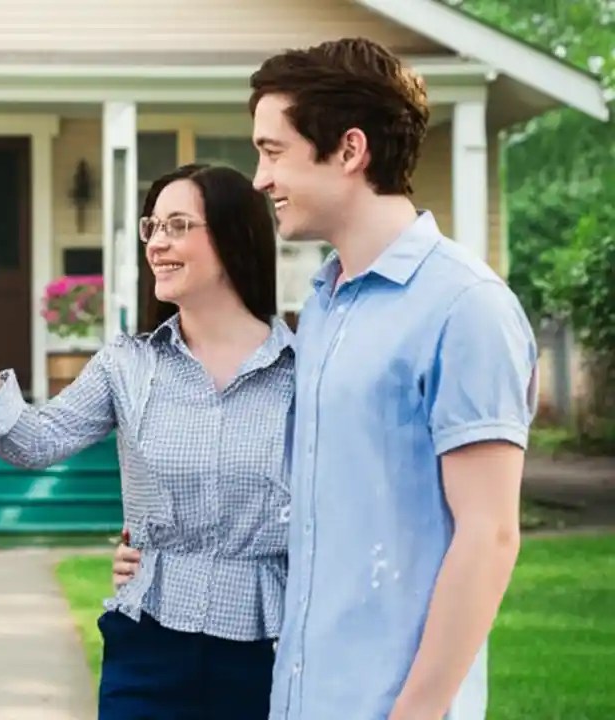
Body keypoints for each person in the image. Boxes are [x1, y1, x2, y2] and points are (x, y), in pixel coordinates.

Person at [115, 37, 538, 719]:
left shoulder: (465, 308)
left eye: (273, 151)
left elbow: (489, 534)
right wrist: (172, 554)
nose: (258, 179)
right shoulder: (323, 306)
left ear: (349, 150)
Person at [0, 163, 295, 719]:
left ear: (234, 238)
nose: (157, 243)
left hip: (265, 651)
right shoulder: (127, 364)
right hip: (147, 647)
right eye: (152, 227)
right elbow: (34, 441)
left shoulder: (302, 371)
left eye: (177, 226)